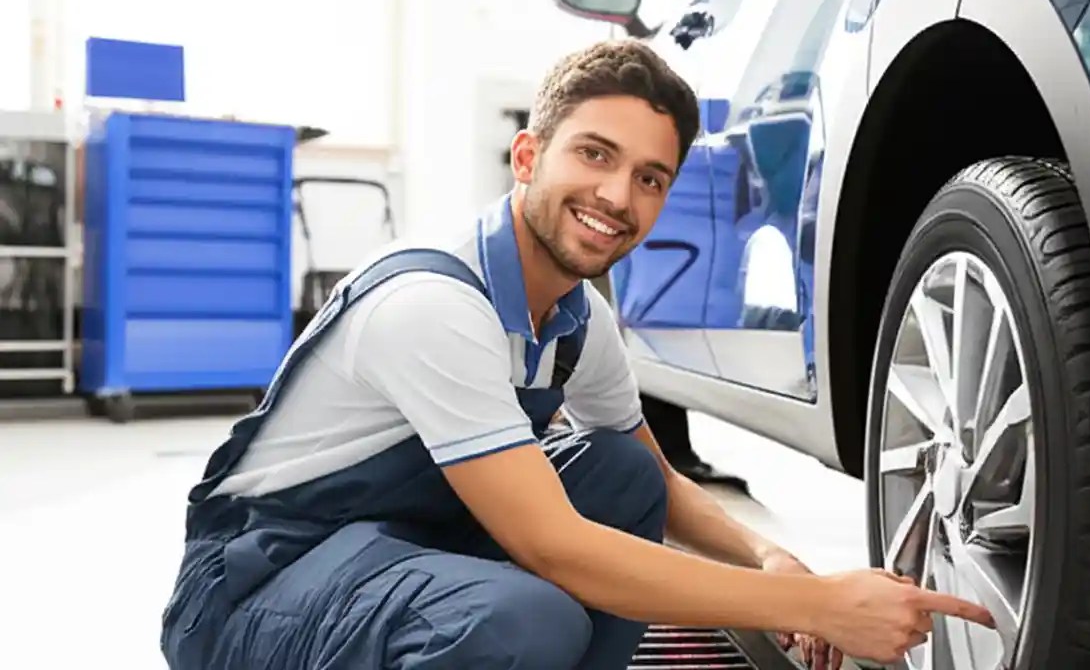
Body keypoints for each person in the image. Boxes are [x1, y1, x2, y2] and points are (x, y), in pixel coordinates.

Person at [159, 39, 993, 670]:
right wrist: (815, 603)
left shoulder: (574, 318)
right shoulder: (434, 307)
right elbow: (556, 547)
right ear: (529, 157)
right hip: (254, 595)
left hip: (389, 548)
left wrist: (769, 555)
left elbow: (655, 480)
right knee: (525, 618)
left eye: (650, 178)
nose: (617, 197)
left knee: (621, 477)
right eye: (595, 155)